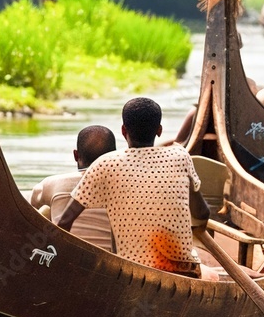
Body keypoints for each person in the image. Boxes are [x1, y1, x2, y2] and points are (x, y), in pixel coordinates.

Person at [57, 97, 216, 280]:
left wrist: (63, 266)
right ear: (159, 130)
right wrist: (199, 223)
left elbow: (64, 223)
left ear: (123, 130)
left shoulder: (105, 164)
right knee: (213, 277)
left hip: (129, 274)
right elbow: (202, 212)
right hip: (182, 270)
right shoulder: (180, 156)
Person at [30, 125, 116, 252]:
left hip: (67, 255)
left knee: (46, 209)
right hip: (114, 261)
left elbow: (33, 203)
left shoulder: (53, 183)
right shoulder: (125, 184)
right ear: (114, 156)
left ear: (76, 155)